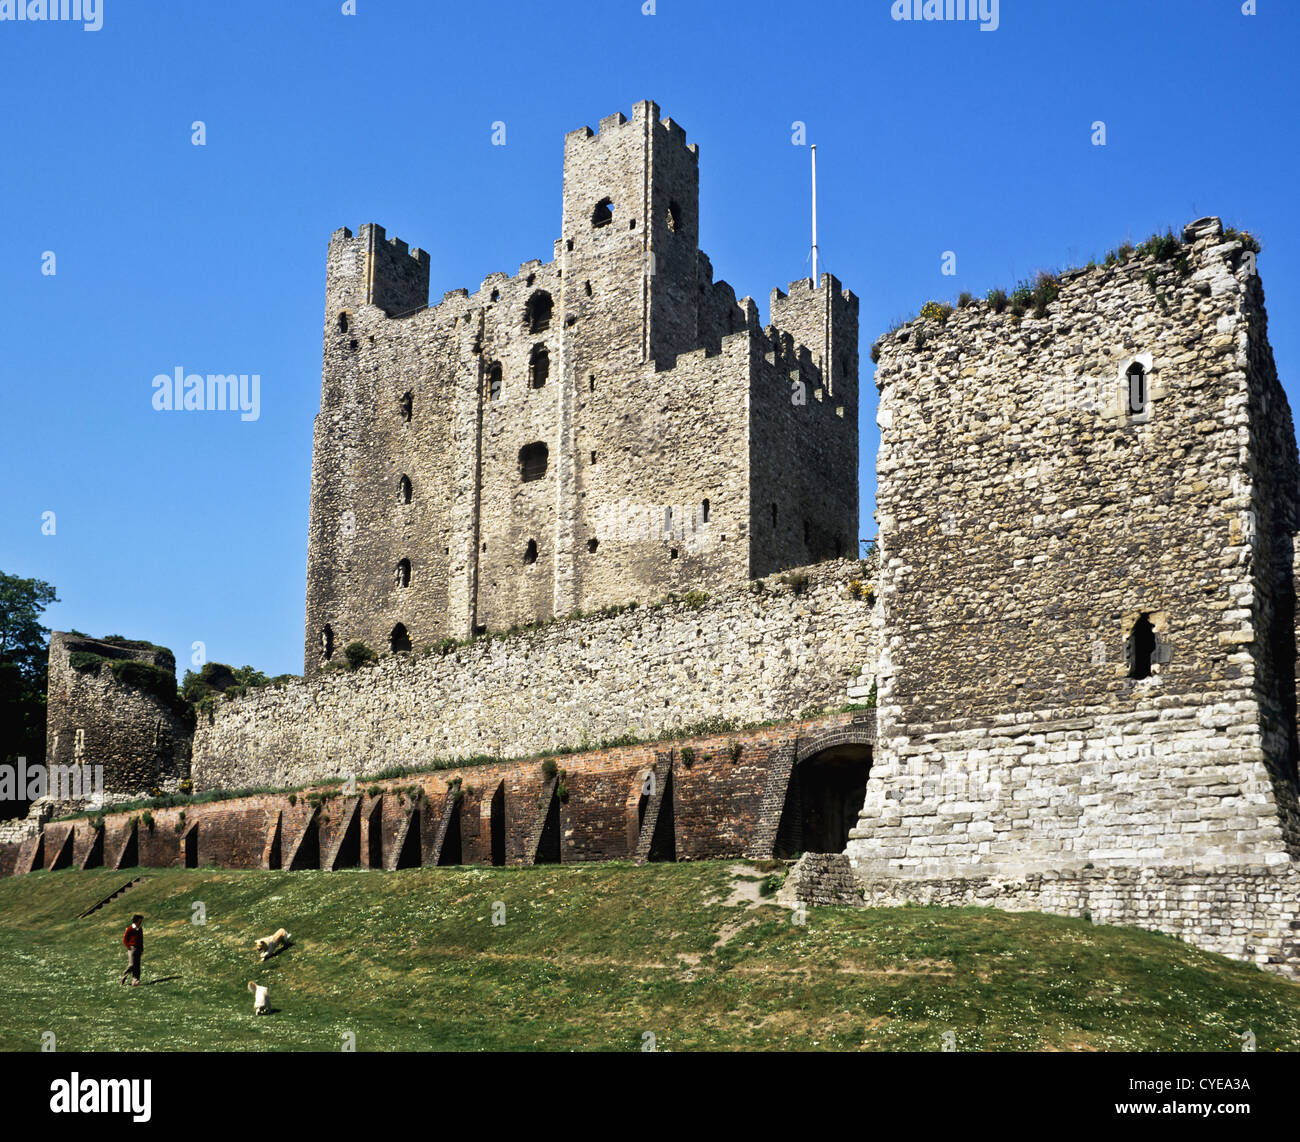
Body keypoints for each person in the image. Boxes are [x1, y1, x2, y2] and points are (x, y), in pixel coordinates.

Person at [120, 914, 144, 986]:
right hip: (132, 948)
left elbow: (141, 939)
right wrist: (129, 947)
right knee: (132, 964)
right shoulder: (130, 928)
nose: (140, 922)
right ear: (136, 921)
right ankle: (124, 977)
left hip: (138, 948)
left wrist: (142, 948)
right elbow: (125, 939)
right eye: (140, 921)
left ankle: (135, 982)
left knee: (137, 965)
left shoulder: (140, 929)